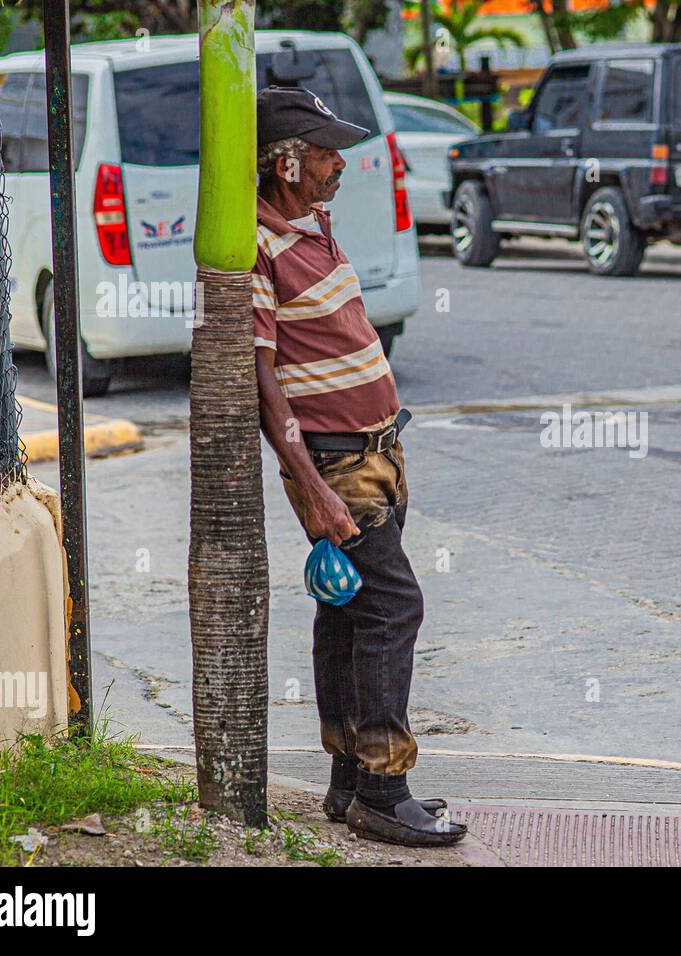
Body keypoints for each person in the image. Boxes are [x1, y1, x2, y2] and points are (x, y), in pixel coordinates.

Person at [251, 86, 465, 847]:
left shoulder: (309, 228)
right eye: (322, 152)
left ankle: (348, 784)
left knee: (348, 613)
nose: (338, 163)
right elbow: (264, 381)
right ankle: (384, 787)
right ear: (283, 164)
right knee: (390, 608)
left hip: (377, 455)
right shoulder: (258, 245)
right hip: (339, 467)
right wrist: (311, 488)